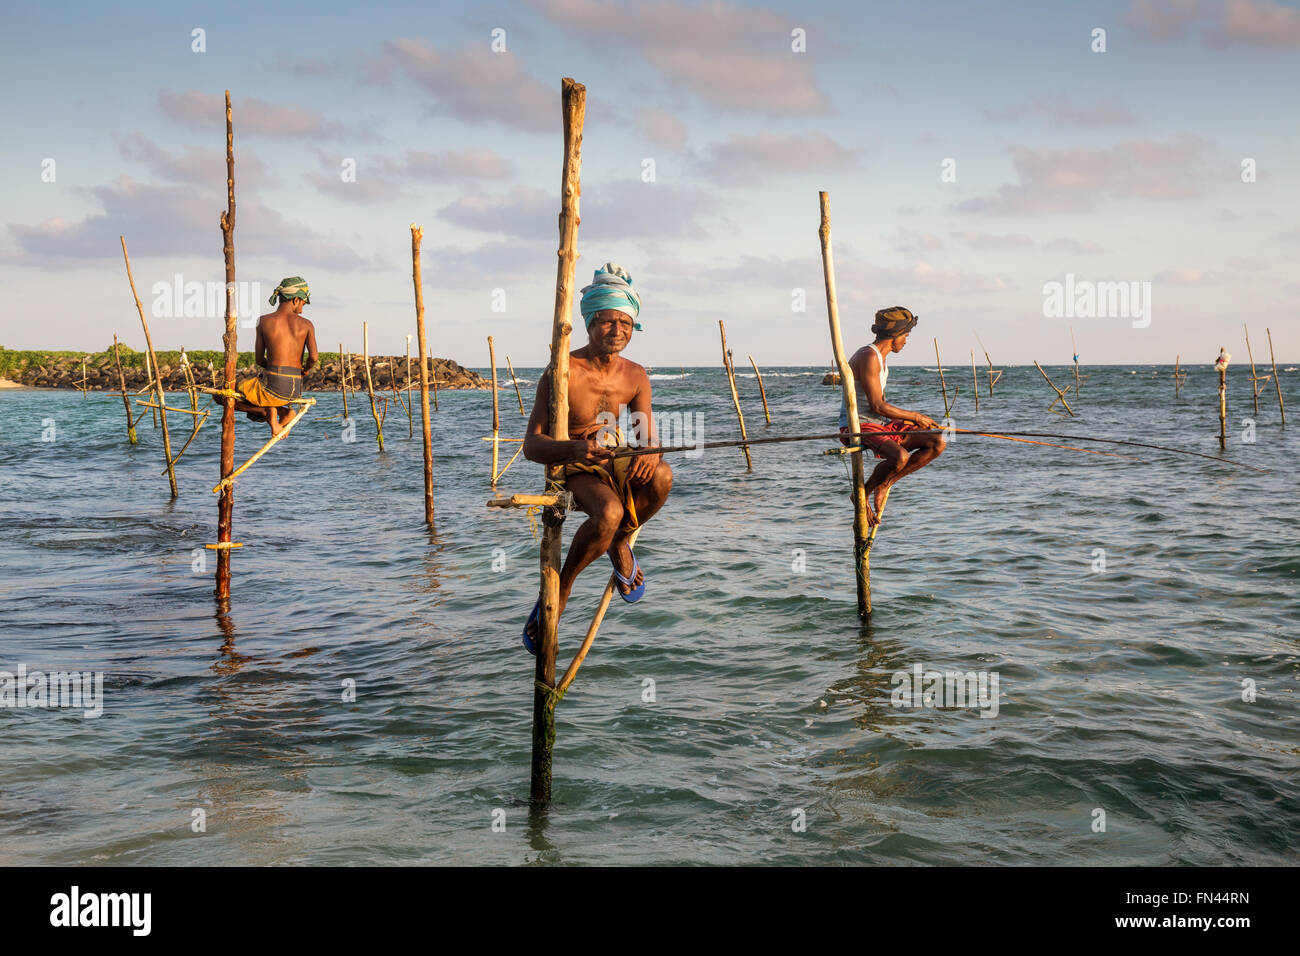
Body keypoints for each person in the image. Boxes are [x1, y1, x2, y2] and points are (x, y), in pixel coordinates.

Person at [519, 263, 673, 653]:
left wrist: (650, 454)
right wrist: (572, 448)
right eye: (607, 322)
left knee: (664, 476)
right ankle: (563, 586)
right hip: (570, 459)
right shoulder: (562, 370)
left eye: (624, 323)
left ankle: (620, 544)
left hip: (613, 454)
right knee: (608, 512)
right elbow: (532, 446)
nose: (616, 331)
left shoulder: (636, 374)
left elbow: (645, 434)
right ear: (589, 323)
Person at [840, 306, 946, 525]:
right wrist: (915, 416)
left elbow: (879, 409)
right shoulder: (868, 356)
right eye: (906, 335)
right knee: (900, 457)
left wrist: (911, 421)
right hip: (858, 425)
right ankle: (861, 496)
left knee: (937, 442)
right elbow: (877, 405)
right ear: (895, 334)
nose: (906, 341)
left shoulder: (879, 357)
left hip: (879, 423)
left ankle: (886, 483)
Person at [232, 277, 318, 435]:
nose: (302, 309)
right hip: (295, 389)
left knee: (224, 393)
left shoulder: (263, 321)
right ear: (296, 299)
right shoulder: (307, 324)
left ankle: (275, 416)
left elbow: (259, 360)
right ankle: (280, 412)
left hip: (273, 387)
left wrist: (272, 366)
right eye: (303, 304)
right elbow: (313, 357)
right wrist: (305, 370)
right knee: (264, 386)